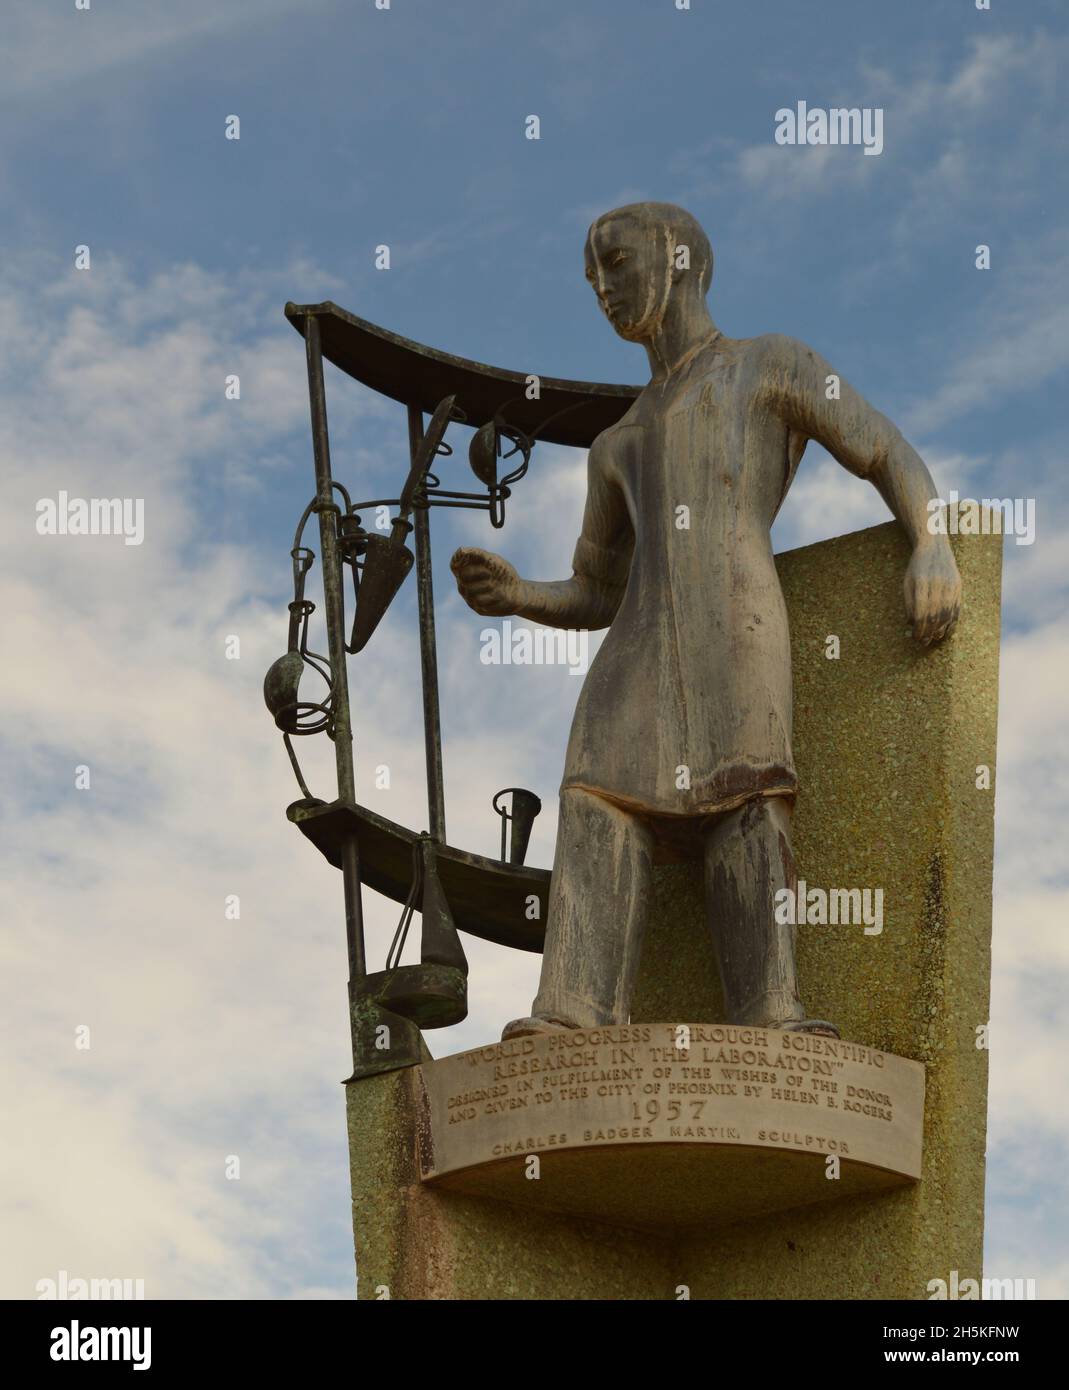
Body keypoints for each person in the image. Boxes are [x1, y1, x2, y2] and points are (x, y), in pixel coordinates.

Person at [451, 202, 961, 1041]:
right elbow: (596, 589)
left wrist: (930, 544)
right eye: (590, 278)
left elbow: (882, 449)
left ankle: (770, 1015)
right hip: (635, 650)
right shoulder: (615, 442)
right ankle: (575, 1012)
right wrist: (518, 596)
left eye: (615, 263)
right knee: (591, 795)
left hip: (737, 623)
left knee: (747, 797)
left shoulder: (769, 364)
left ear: (678, 257)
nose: (602, 290)